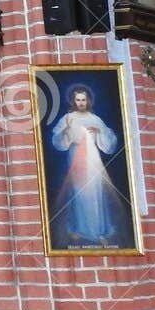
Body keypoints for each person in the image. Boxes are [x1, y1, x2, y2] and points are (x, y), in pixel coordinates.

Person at [49, 85, 126, 248]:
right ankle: (79, 229)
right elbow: (57, 139)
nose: (81, 103)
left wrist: (98, 132)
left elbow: (109, 140)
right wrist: (67, 130)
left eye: (84, 100)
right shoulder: (68, 118)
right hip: (76, 155)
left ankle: (99, 230)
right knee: (79, 191)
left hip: (93, 157)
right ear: (73, 101)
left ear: (88, 101)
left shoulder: (95, 119)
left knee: (96, 190)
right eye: (78, 100)